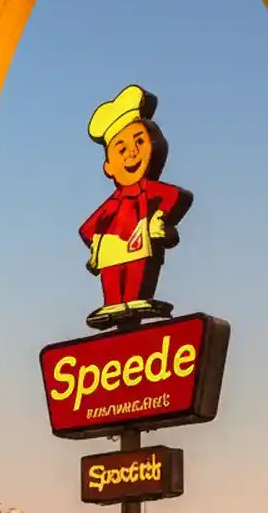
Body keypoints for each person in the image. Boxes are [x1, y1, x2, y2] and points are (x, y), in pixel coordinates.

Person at [79, 84, 192, 330]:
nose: (131, 153)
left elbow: (176, 197)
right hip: (112, 244)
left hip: (140, 237)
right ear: (108, 166)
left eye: (139, 141)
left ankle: (134, 299)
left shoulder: (150, 189)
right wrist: (95, 242)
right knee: (111, 273)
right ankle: (112, 303)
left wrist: (160, 218)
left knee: (137, 269)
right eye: (121, 149)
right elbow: (87, 227)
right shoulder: (113, 201)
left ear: (154, 145)